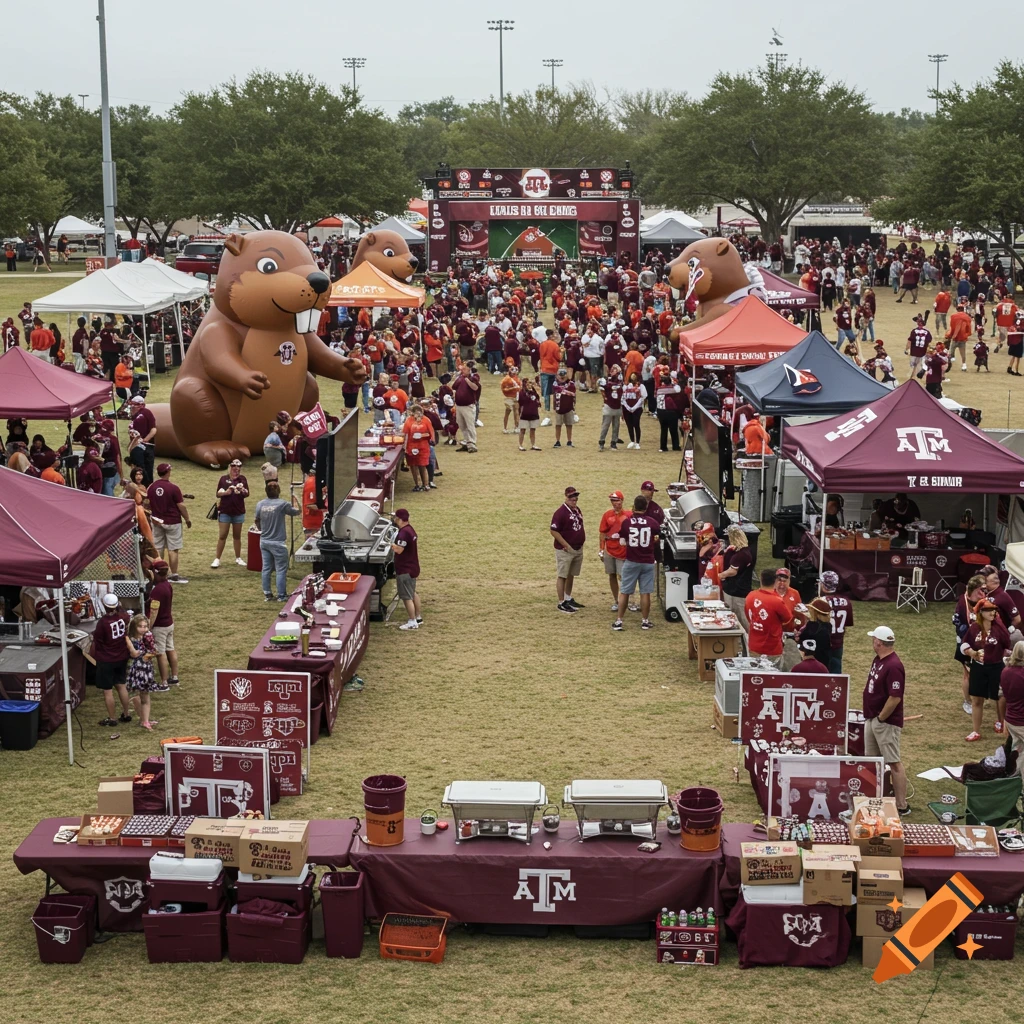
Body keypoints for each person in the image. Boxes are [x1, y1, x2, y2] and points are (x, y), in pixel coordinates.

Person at [863, 625, 910, 814]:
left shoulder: (894, 666)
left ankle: (901, 805)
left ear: (879, 642)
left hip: (885, 722)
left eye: (873, 639)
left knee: (893, 762)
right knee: (871, 762)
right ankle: (873, 799)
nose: (872, 641)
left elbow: (895, 696)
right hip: (873, 718)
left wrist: (882, 718)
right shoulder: (879, 659)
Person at [960, 598, 1010, 741]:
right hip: (979, 667)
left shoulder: (999, 628)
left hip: (996, 666)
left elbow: (1007, 643)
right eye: (988, 610)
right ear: (981, 612)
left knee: (1000, 697)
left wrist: (1000, 624)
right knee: (977, 699)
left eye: (994, 610)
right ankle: (976, 730)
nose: (992, 613)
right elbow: (964, 645)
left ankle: (1001, 722)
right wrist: (972, 653)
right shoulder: (975, 628)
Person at [612, 495, 660, 632]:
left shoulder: (627, 523)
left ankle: (619, 620)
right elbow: (657, 536)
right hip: (648, 561)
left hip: (632, 560)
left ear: (634, 506)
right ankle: (645, 621)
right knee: (645, 593)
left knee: (625, 592)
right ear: (645, 507)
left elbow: (622, 542)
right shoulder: (652, 522)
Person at [90, 593, 134, 727]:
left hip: (106, 659)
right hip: (121, 656)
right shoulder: (123, 617)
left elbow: (97, 639)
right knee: (121, 685)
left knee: (107, 690)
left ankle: (112, 718)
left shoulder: (103, 623)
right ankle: (126, 714)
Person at [254, 480, 300, 602]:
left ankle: (268, 594)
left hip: (264, 541)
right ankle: (281, 595)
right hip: (278, 543)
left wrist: (262, 530)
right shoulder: (282, 504)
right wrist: (296, 500)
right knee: (281, 569)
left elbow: (257, 520)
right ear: (278, 491)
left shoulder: (260, 504)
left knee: (266, 568)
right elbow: (297, 512)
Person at [147, 463, 191, 579]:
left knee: (158, 548)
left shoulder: (151, 487)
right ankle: (174, 574)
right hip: (172, 521)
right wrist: (187, 519)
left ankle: (158, 571)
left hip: (157, 521)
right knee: (173, 549)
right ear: (167, 472)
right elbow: (181, 506)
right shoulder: (173, 488)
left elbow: (147, 503)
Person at [745, 568, 794, 667]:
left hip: (754, 646)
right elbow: (788, 618)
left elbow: (748, 615)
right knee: (772, 678)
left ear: (761, 579)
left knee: (754, 678)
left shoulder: (750, 595)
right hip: (772, 648)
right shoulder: (776, 601)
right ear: (775, 581)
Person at [550, 485, 585, 613]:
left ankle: (568, 597)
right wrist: (565, 545)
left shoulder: (576, 510)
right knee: (562, 575)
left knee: (571, 574)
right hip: (565, 550)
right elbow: (553, 531)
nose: (574, 499)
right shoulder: (560, 513)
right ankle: (561, 602)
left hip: (577, 548)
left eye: (575, 496)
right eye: (571, 497)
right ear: (566, 497)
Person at [145, 559, 178, 689]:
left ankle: (164, 682)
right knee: (170, 648)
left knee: (160, 653)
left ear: (156, 572)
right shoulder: (168, 585)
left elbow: (154, 611)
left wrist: (148, 627)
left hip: (160, 626)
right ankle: (174, 677)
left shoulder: (157, 590)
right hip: (169, 623)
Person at [211, 459, 249, 568]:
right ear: (230, 468)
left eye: (238, 469)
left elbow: (247, 493)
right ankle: (217, 559)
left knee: (237, 536)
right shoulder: (224, 479)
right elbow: (218, 493)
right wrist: (227, 492)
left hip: (238, 512)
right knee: (222, 536)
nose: (236, 471)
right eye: (234, 468)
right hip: (225, 511)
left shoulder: (243, 479)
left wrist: (242, 490)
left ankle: (238, 558)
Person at [126, 614, 159, 730]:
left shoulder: (147, 637)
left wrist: (148, 655)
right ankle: (144, 720)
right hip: (137, 670)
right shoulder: (130, 638)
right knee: (142, 696)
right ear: (134, 626)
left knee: (145, 696)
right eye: (140, 626)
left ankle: (144, 719)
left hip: (145, 669)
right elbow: (133, 653)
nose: (143, 629)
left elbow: (154, 651)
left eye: (145, 626)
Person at [391, 508, 422, 630]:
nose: (394, 520)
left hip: (405, 569)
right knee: (413, 592)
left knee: (406, 597)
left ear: (399, 519)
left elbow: (399, 550)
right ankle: (418, 617)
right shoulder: (410, 529)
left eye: (395, 518)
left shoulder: (403, 533)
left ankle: (412, 621)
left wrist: (390, 543)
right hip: (413, 566)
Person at [719, 526, 753, 633]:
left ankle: (749, 641)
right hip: (739, 589)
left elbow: (732, 571)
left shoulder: (740, 555)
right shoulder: (744, 551)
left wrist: (721, 575)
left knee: (740, 618)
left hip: (736, 591)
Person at [599, 490, 630, 611]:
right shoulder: (607, 515)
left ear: (622, 501)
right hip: (609, 550)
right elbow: (602, 533)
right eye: (612, 500)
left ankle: (627, 600)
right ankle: (617, 600)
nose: (614, 503)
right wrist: (601, 549)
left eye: (616, 500)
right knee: (611, 574)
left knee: (623, 576)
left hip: (622, 551)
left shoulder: (628, 515)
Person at [981, 564, 1024, 646]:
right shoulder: (988, 594)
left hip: (1001, 638)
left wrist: (1007, 632)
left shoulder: (1002, 596)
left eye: (985, 581)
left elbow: (1017, 619)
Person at [819, 570, 853, 674]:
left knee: (821, 673)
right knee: (836, 672)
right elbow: (846, 624)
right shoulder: (846, 602)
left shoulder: (819, 602)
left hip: (823, 643)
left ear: (823, 584)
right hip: (838, 642)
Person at [1000, 643, 1024, 774]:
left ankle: (1014, 781)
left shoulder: (1006, 671)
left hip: (1011, 719)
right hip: (1021, 720)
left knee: (1018, 752)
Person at [403, 403, 435, 492]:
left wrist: (421, 435)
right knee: (413, 466)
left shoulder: (426, 420)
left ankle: (425, 484)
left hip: (423, 446)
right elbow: (405, 433)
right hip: (411, 446)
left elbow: (431, 433)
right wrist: (404, 446)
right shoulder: (409, 420)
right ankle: (417, 484)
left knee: (422, 465)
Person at [453, 362, 480, 453]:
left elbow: (475, 388)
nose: (462, 370)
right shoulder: (460, 378)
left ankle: (472, 443)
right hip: (459, 405)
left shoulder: (473, 378)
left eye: (465, 369)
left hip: (468, 406)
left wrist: (467, 379)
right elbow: (454, 386)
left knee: (470, 424)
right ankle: (466, 441)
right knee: (462, 425)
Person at [130, 395, 157, 484]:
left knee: (143, 469)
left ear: (142, 405)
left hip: (144, 446)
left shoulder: (146, 412)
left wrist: (145, 440)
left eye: (135, 404)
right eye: (132, 404)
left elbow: (153, 429)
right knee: (139, 469)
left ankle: (146, 487)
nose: (133, 406)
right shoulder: (134, 415)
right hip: (136, 446)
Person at [655, 371, 684, 452]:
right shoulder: (672, 389)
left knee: (663, 429)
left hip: (660, 410)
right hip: (670, 411)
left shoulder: (659, 389)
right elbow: (679, 390)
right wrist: (674, 383)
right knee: (673, 429)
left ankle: (663, 446)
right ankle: (675, 446)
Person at [598, 366, 624, 451]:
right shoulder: (606, 380)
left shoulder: (621, 382)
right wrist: (605, 398)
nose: (614, 372)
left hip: (617, 405)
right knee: (605, 425)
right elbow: (602, 389)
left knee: (616, 426)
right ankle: (601, 442)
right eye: (613, 370)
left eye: (616, 371)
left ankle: (614, 442)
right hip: (609, 405)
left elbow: (622, 394)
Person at [551, 367, 577, 448]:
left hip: (569, 407)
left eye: (563, 375)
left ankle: (569, 441)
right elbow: (557, 390)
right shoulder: (555, 384)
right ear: (557, 376)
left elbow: (573, 394)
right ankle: (557, 441)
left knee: (569, 424)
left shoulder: (571, 383)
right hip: (559, 408)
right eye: (560, 375)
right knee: (558, 425)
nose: (562, 377)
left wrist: (574, 405)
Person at [517, 376, 543, 452]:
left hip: (533, 413)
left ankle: (533, 444)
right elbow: (520, 403)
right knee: (523, 430)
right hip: (524, 414)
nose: (530, 385)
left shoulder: (534, 392)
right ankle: (520, 445)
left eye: (531, 383)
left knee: (533, 430)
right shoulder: (522, 393)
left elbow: (537, 400)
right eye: (528, 383)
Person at [622, 372, 645, 450]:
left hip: (637, 408)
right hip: (627, 408)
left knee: (636, 424)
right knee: (629, 424)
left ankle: (637, 442)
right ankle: (632, 440)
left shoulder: (641, 386)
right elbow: (622, 398)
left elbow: (643, 397)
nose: (633, 377)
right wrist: (627, 407)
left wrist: (634, 407)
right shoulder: (626, 386)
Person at [500, 364, 521, 434]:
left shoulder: (517, 378)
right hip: (509, 397)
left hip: (516, 397)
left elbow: (519, 387)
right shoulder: (506, 379)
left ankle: (516, 427)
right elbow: (504, 389)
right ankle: (505, 428)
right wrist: (512, 388)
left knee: (516, 412)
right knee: (507, 412)